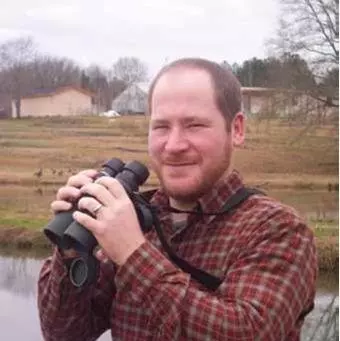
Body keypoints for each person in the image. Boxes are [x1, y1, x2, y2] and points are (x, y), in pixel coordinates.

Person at [37, 58, 317, 341]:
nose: (173, 145)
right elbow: (64, 333)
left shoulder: (278, 230)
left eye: (194, 125)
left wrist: (133, 254)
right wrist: (73, 248)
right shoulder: (134, 219)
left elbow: (248, 333)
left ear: (237, 130)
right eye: (161, 127)